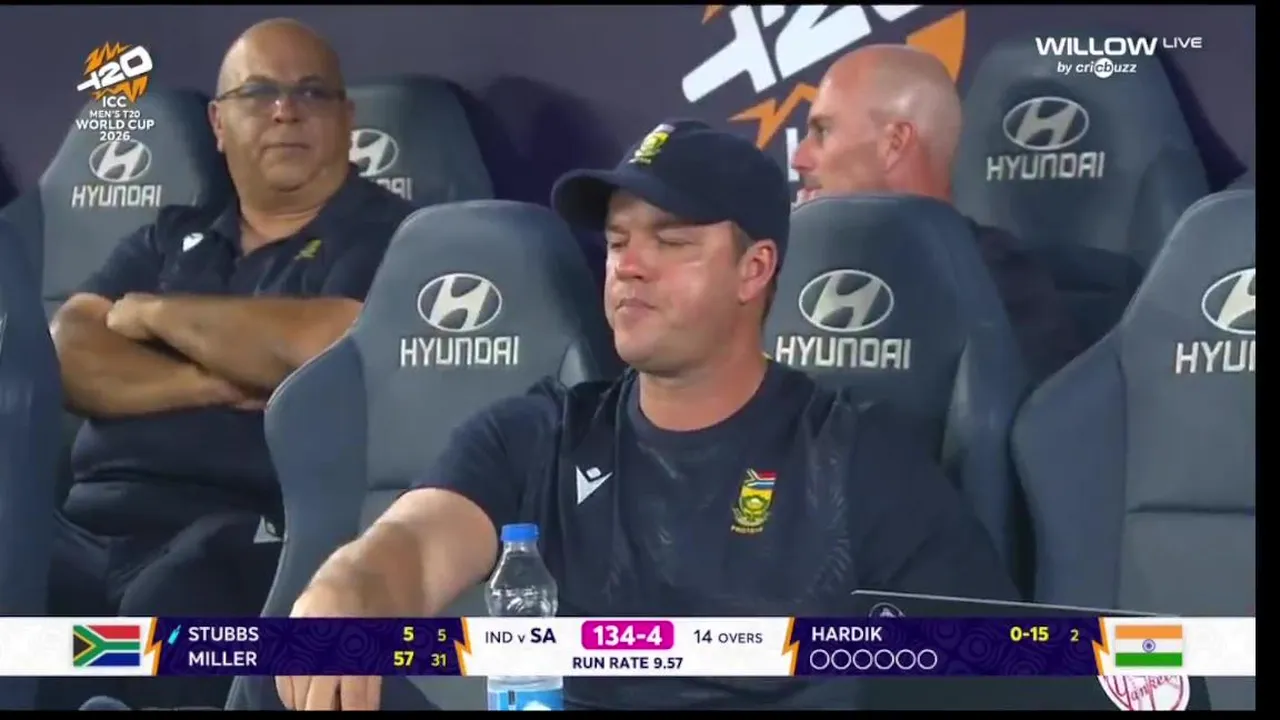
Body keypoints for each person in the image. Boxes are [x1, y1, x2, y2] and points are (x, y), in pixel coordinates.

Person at [276, 119, 1019, 711]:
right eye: (618, 242)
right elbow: (412, 547)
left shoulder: (856, 456)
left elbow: (990, 672)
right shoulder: (538, 436)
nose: (630, 265)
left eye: (671, 241)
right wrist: (349, 590)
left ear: (754, 269)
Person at [45, 18, 414, 710]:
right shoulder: (171, 235)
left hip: (249, 531)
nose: (286, 110)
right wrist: (213, 378)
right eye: (260, 92)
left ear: (347, 118)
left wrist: (153, 316)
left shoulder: (390, 235)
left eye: (312, 92)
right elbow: (68, 349)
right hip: (93, 524)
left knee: (178, 593)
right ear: (218, 123)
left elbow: (332, 344)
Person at [791, 44, 1079, 382]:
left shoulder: (998, 289)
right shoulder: (785, 275)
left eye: (822, 132)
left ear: (894, 143)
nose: (798, 159)